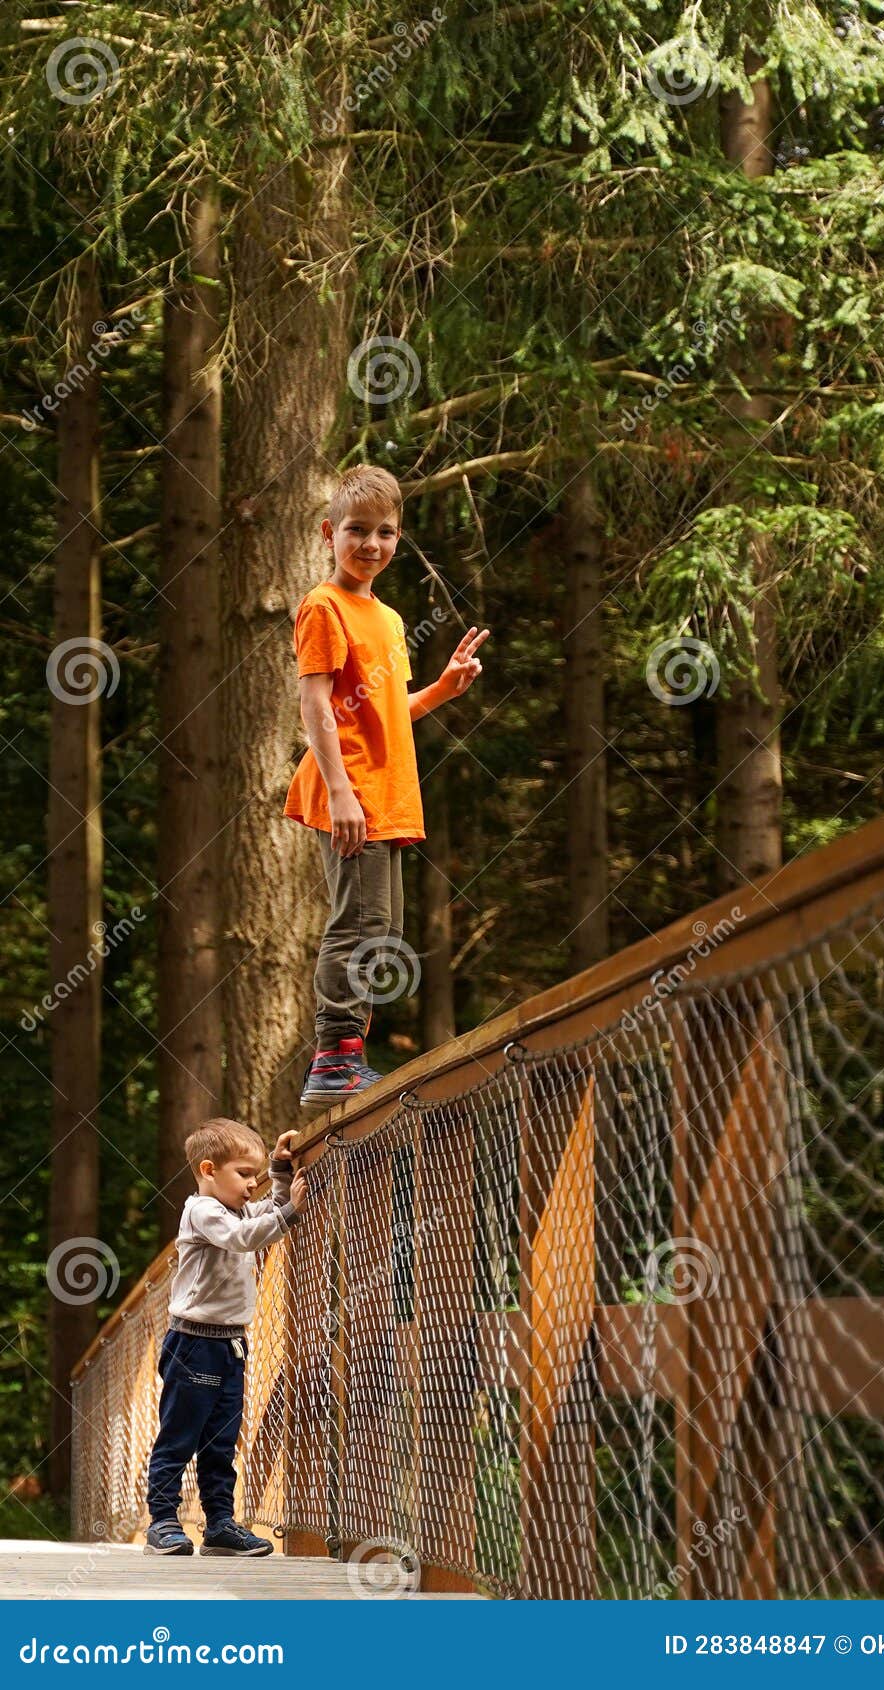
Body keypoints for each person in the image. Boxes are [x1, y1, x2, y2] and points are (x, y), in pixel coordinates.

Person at [284, 463, 489, 1109]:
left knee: (383, 928)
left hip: (388, 792)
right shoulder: (324, 605)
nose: (371, 544)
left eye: (385, 533)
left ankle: (349, 1059)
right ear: (328, 534)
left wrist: (441, 689)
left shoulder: (390, 618)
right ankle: (333, 1060)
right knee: (359, 922)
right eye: (356, 530)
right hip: (352, 789)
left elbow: (384, 708)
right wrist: (342, 792)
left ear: (398, 540)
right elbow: (314, 703)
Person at [144, 1119, 307, 1556]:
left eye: (254, 1175)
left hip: (231, 1345)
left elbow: (267, 1210)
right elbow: (242, 1238)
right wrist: (290, 1212)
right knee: (179, 1436)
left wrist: (278, 1168)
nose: (251, 1184)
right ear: (209, 1169)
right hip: (193, 1345)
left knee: (221, 1439)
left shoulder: (235, 1208)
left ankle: (219, 1524)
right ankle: (162, 1522)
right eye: (244, 1174)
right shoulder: (203, 1211)